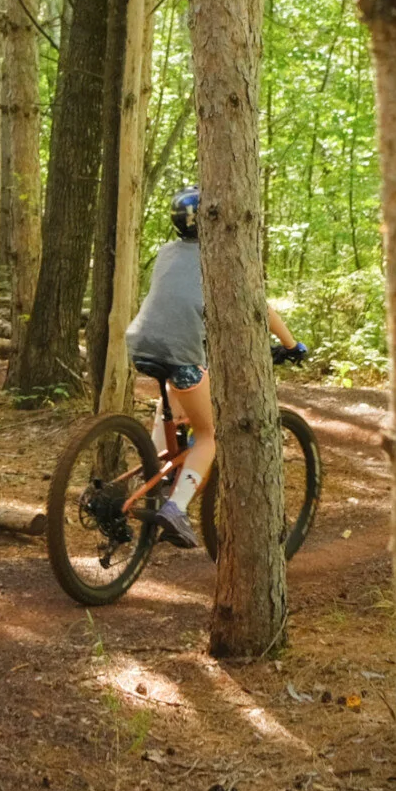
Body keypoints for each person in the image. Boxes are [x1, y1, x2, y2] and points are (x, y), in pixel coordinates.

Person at [121, 186, 301, 549]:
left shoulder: (166, 252)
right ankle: (175, 507)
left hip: (140, 344)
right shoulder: (222, 259)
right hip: (181, 354)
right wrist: (291, 345)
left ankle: (154, 471)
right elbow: (259, 307)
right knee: (210, 434)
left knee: (173, 395)